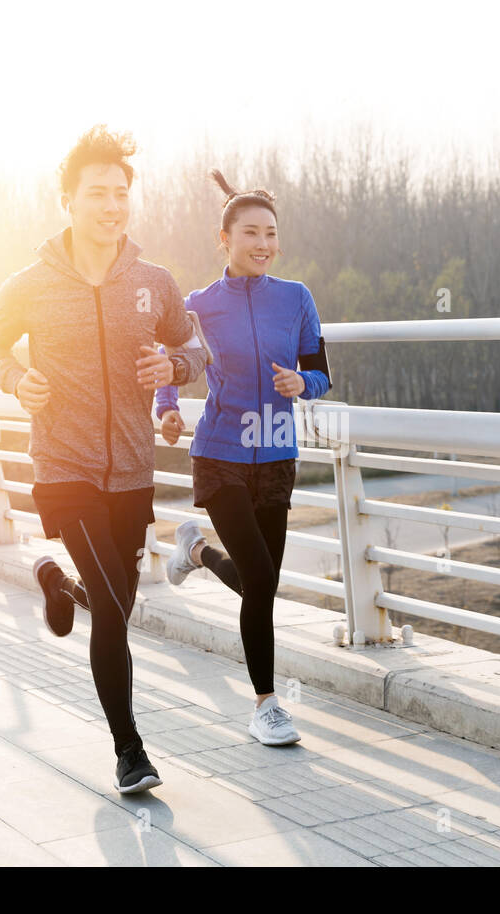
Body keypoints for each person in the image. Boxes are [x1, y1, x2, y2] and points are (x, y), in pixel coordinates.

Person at [0, 125, 207, 794]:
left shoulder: (154, 283)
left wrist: (174, 366)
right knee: (111, 604)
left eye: (121, 193)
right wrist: (17, 380)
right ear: (68, 200)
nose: (112, 206)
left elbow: (196, 350)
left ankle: (57, 583)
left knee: (117, 608)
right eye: (97, 193)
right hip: (64, 466)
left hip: (131, 470)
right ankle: (130, 751)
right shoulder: (31, 283)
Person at [155, 168, 332, 746]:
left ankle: (197, 551)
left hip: (277, 454)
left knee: (264, 582)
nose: (263, 244)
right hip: (221, 453)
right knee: (259, 577)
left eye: (271, 233)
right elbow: (170, 361)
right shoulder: (199, 306)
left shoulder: (296, 298)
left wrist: (301, 384)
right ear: (224, 239)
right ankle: (266, 705)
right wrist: (168, 409)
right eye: (251, 232)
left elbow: (324, 373)